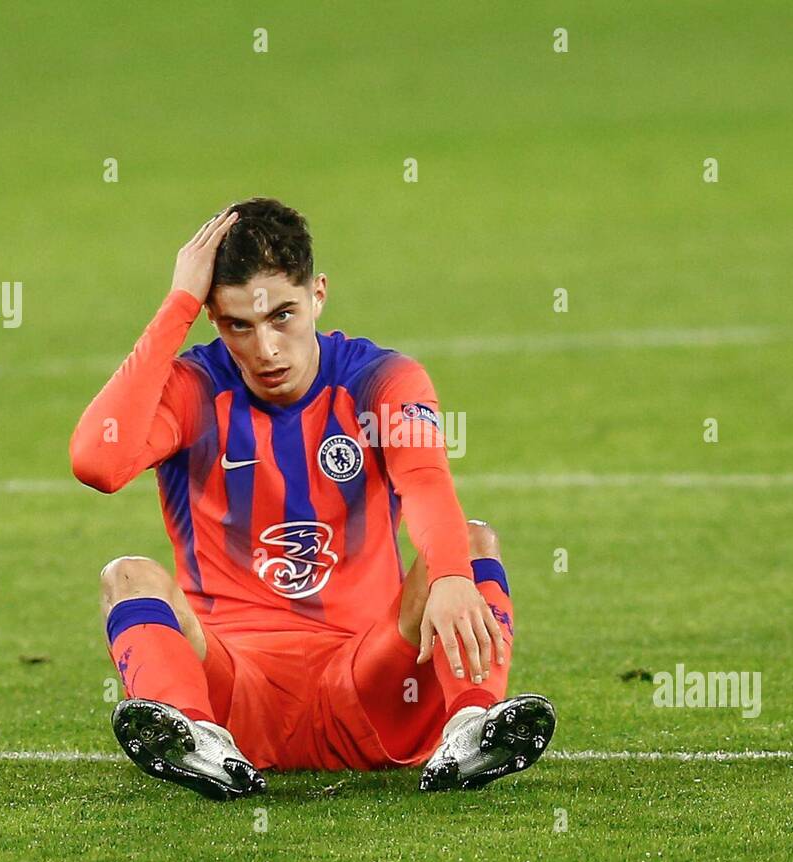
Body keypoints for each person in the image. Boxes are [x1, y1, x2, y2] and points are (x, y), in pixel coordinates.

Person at [70, 198, 555, 800]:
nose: (265, 349)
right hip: (233, 698)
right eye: (237, 325)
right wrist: (177, 306)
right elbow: (96, 462)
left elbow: (426, 481)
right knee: (127, 576)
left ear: (318, 293)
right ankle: (196, 740)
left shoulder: (381, 379)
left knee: (469, 543)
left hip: (372, 686)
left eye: (282, 316)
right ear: (212, 318)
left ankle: (471, 730)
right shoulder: (194, 389)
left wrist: (453, 576)